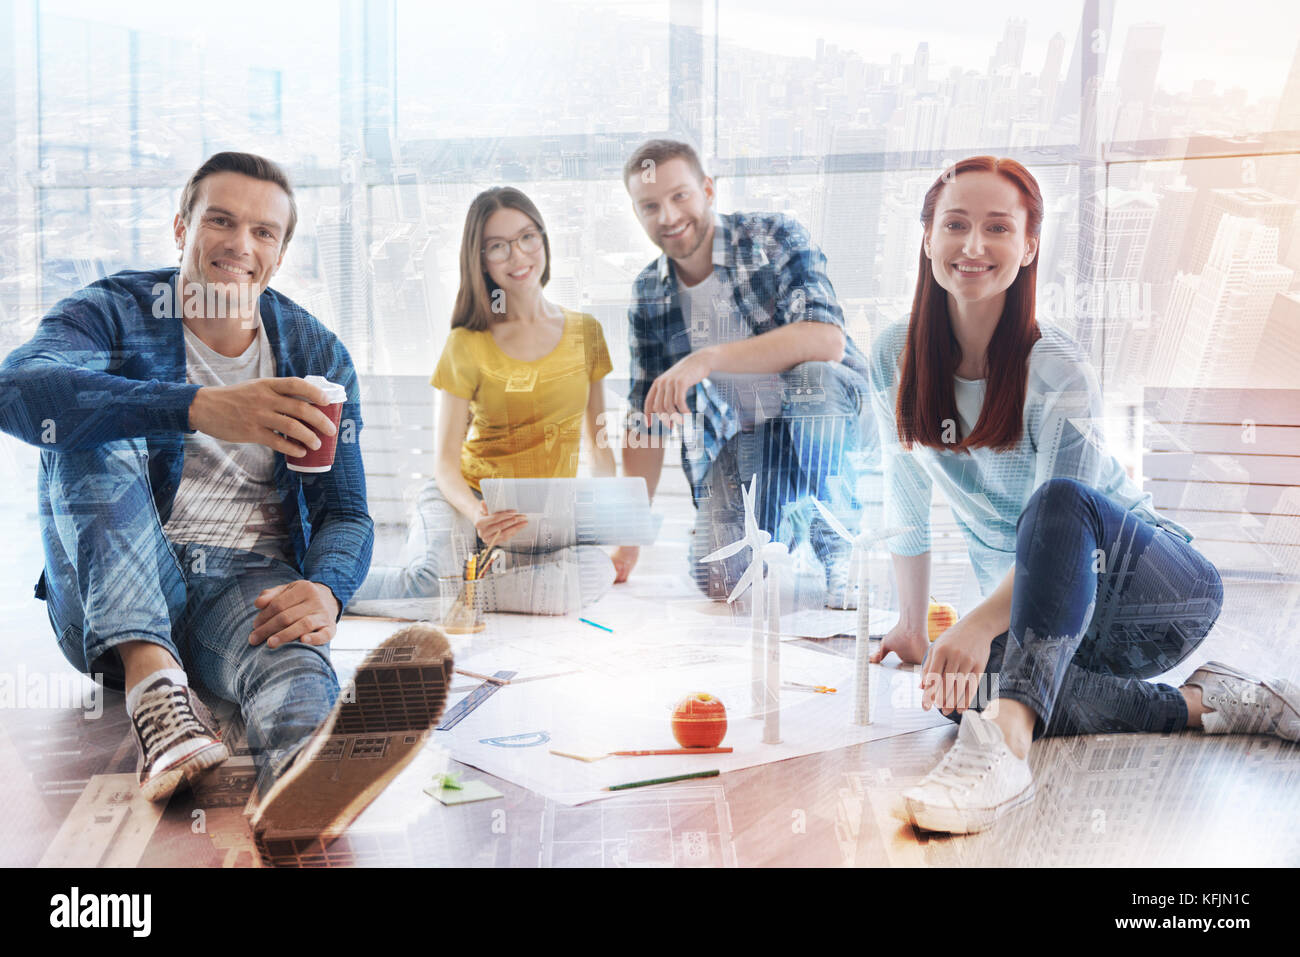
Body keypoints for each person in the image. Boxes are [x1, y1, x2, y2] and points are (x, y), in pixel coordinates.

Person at [0, 151, 452, 862]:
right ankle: (157, 691)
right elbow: (18, 391)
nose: (241, 244)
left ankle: (303, 781)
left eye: (264, 232)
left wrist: (327, 591)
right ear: (181, 227)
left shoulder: (313, 352)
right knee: (89, 419)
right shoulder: (117, 311)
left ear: (278, 253)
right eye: (221, 220)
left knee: (291, 654)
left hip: (241, 578)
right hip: (116, 577)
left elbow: (349, 512)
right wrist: (201, 407)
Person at [868, 155, 1299, 835]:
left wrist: (979, 624)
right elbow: (905, 495)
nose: (974, 245)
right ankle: (1207, 704)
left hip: (1152, 593)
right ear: (926, 238)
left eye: (998, 228)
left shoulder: (1057, 367)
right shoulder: (894, 354)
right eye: (955, 224)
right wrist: (914, 625)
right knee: (956, 691)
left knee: (1059, 500)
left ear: (1029, 245)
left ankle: (1008, 744)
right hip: (1044, 621)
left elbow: (1061, 518)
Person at [616, 138, 876, 607]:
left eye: (680, 196)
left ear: (708, 190)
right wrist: (629, 537)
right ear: (637, 213)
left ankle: (840, 549)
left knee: (811, 380)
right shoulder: (649, 294)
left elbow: (827, 341)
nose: (669, 217)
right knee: (721, 580)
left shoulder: (771, 236)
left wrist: (707, 358)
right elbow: (645, 421)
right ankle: (790, 516)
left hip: (834, 409)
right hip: (757, 439)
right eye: (650, 205)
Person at [347, 187, 617, 617]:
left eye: (527, 237)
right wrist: (478, 515)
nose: (518, 255)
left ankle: (469, 587)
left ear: (543, 239)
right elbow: (445, 466)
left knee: (595, 572)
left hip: (538, 517)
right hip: (466, 501)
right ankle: (322, 584)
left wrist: (613, 525)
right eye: (498, 247)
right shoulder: (467, 344)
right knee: (422, 587)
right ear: (481, 261)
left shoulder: (587, 333)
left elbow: (600, 450)